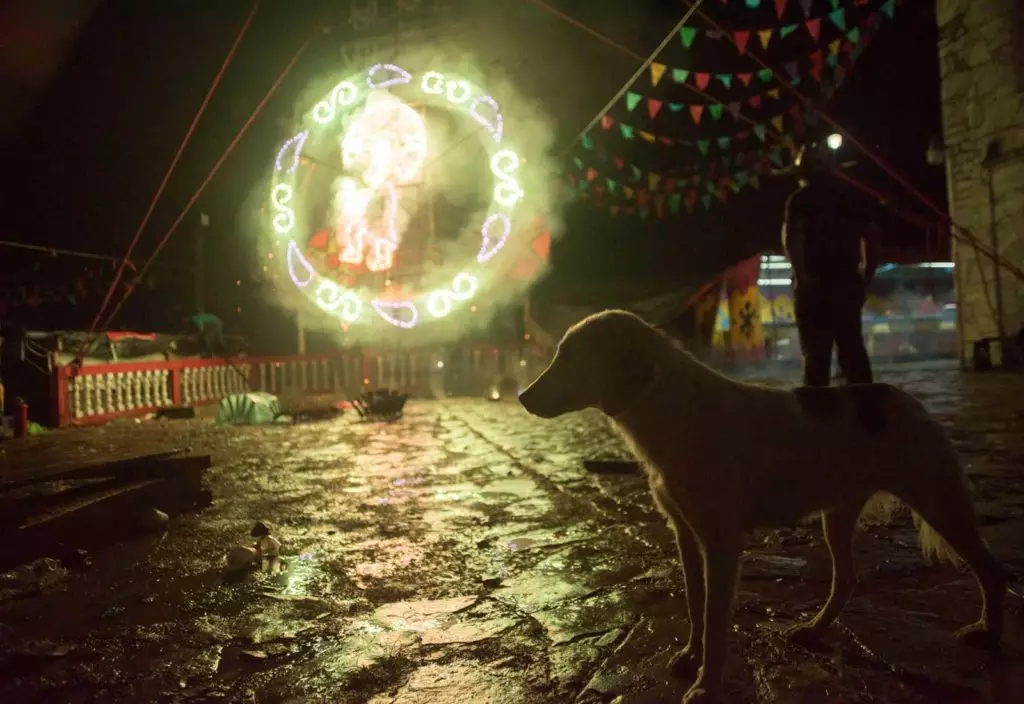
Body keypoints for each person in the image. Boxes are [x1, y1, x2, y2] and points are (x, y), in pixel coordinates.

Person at [782, 141, 881, 387]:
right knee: (853, 353)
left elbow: (792, 241)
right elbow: (873, 240)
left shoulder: (800, 201)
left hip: (814, 287)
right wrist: (865, 277)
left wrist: (802, 279)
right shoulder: (852, 197)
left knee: (816, 359)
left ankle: (819, 419)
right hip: (847, 284)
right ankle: (866, 414)